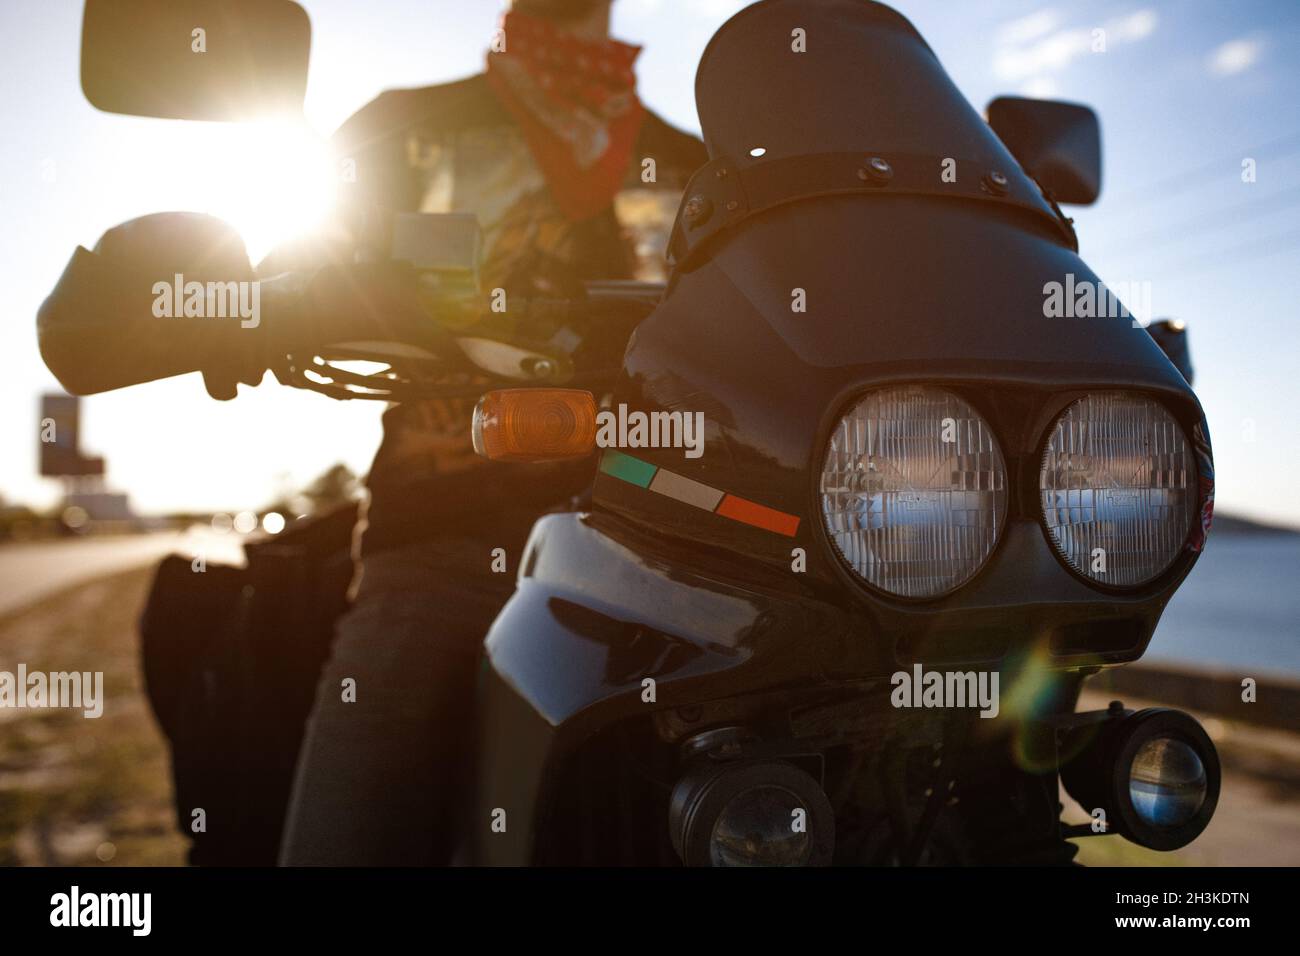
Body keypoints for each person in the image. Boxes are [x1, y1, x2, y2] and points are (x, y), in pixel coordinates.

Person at [261, 0, 707, 865]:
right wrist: (248, 305)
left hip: (664, 555)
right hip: (442, 546)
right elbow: (300, 271)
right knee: (342, 840)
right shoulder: (406, 129)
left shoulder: (692, 164)